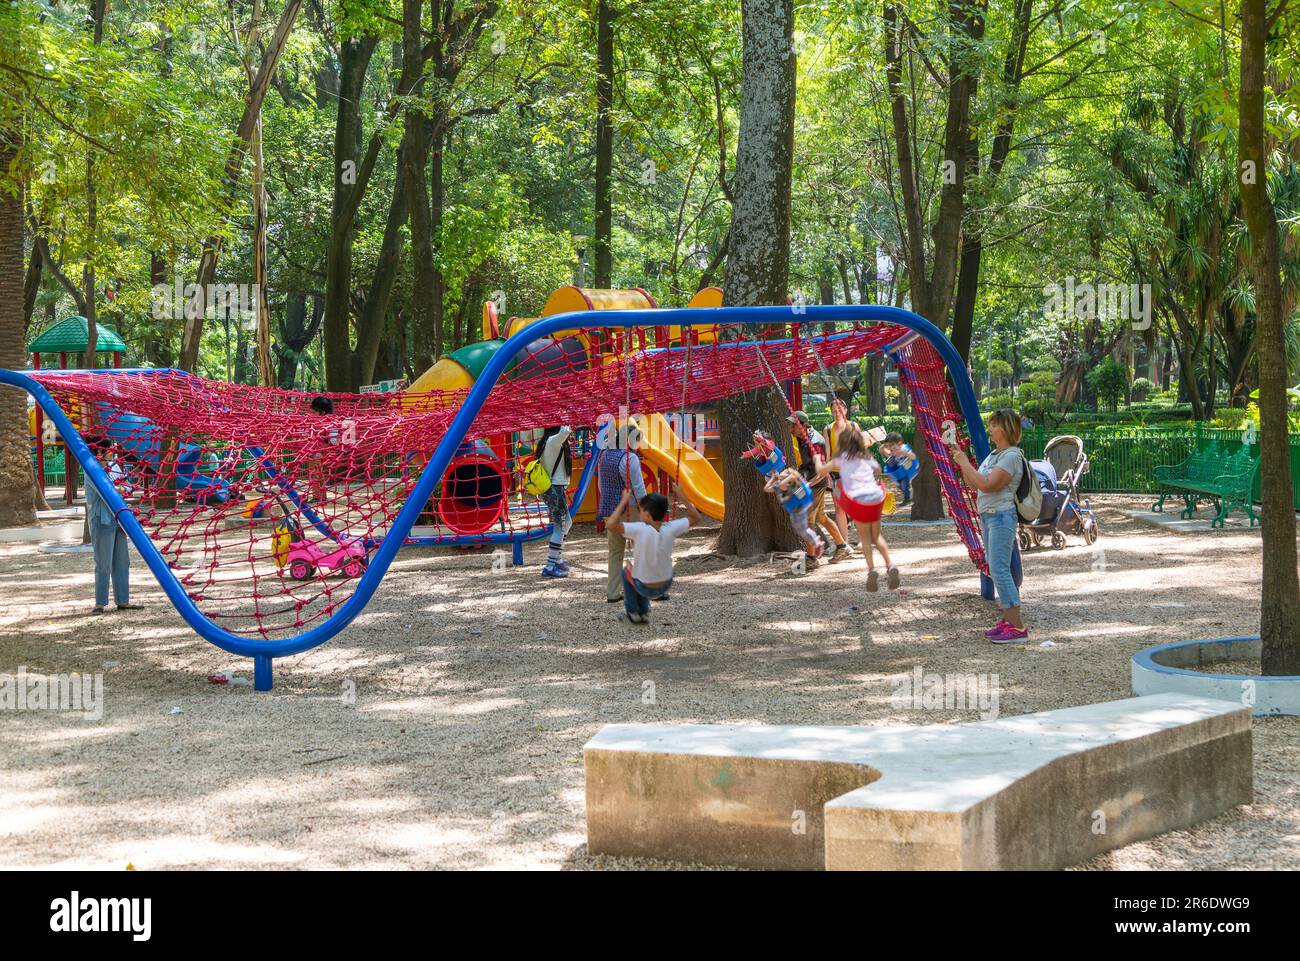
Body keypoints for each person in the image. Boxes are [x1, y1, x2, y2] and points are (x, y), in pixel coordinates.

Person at [948, 409, 1029, 642]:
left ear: (1006, 428)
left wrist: (965, 462)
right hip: (989, 516)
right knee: (996, 569)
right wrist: (963, 464)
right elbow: (973, 484)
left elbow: (987, 485)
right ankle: (1007, 620)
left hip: (1001, 516)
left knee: (1000, 570)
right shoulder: (995, 455)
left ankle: (1018, 628)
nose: (990, 428)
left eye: (994, 425)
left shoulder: (1011, 456)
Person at [813, 423, 899, 592]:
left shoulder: (840, 458)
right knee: (876, 536)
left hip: (860, 500)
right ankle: (890, 565)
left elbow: (822, 471)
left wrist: (818, 459)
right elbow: (878, 469)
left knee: (865, 538)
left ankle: (872, 570)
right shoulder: (865, 456)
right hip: (875, 498)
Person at [606, 490, 700, 624]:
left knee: (627, 571)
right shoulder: (671, 527)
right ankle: (643, 613)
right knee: (640, 570)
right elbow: (696, 518)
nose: (639, 513)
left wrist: (623, 501)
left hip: (644, 586)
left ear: (648, 515)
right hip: (666, 584)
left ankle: (633, 612)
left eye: (641, 510)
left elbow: (610, 525)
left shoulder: (639, 529)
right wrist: (682, 495)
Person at [595, 422, 648, 602]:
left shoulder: (604, 456)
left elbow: (600, 486)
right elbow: (639, 490)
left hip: (610, 510)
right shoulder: (630, 459)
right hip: (629, 511)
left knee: (615, 552)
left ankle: (612, 592)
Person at [788, 410, 848, 564]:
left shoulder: (815, 442)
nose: (790, 428)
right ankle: (842, 547)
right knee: (821, 516)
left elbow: (821, 471)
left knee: (808, 521)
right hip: (810, 481)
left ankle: (811, 558)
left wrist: (808, 484)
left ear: (802, 425)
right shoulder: (801, 437)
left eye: (792, 425)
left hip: (817, 483)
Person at [85, 453, 140, 614]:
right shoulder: (91, 470)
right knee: (103, 563)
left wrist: (122, 488)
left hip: (119, 518)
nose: (108, 453)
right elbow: (107, 491)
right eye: (105, 450)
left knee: (123, 561)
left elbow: (126, 487)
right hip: (102, 520)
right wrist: (121, 488)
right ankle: (100, 603)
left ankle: (123, 600)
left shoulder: (114, 466)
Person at [764, 467, 825, 559]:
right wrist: (773, 478)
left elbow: (785, 481)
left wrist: (778, 477)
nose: (781, 475)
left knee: (803, 530)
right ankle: (816, 542)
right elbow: (767, 489)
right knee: (802, 530)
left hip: (798, 509)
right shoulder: (783, 484)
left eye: (784, 474)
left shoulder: (791, 482)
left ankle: (817, 543)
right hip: (800, 508)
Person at [537, 425, 573, 578]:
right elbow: (565, 431)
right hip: (555, 489)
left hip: (552, 488)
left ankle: (557, 559)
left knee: (567, 522)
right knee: (559, 526)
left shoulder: (546, 442)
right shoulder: (553, 441)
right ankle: (550, 566)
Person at [821, 399, 856, 561]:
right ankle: (844, 545)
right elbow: (828, 454)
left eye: (839, 410)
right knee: (839, 508)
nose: (837, 414)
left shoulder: (853, 426)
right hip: (836, 474)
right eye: (834, 411)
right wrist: (827, 473)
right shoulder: (827, 429)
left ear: (845, 410)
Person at [881, 431, 918, 506]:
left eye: (891, 445)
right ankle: (908, 495)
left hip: (910, 469)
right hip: (902, 470)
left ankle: (907, 499)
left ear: (899, 443)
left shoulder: (904, 448)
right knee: (898, 483)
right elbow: (889, 456)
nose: (890, 448)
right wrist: (883, 450)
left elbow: (913, 457)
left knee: (904, 483)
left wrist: (903, 453)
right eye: (888, 446)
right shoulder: (894, 450)